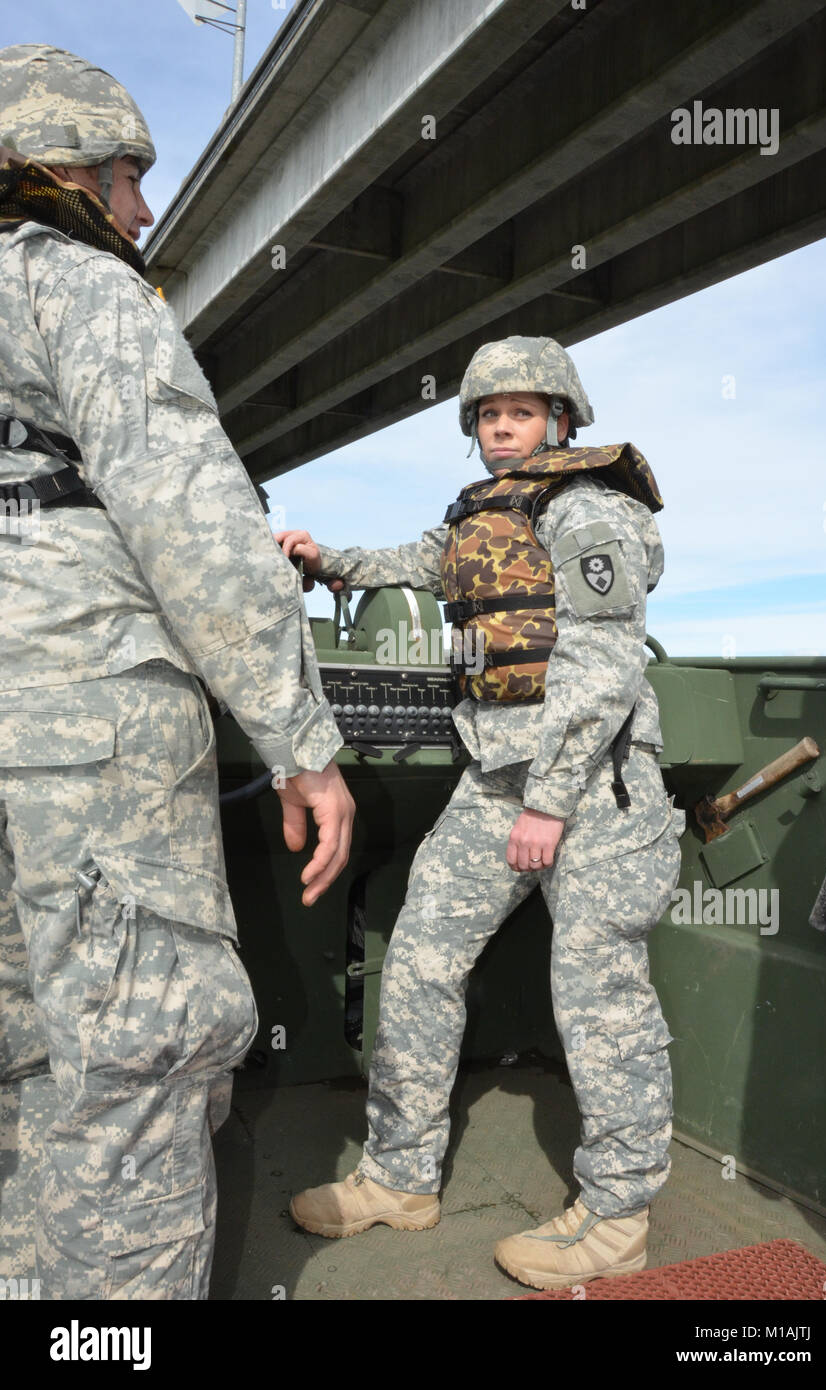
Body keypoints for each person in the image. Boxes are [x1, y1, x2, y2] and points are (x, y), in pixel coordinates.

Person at [0, 44, 354, 1300]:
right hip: (85, 723)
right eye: (130, 177)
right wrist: (300, 738)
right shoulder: (68, 280)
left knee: (26, 1054)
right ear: (68, 168)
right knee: (141, 1063)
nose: (143, 212)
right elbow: (191, 512)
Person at [280, 335, 685, 1290]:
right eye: (488, 415)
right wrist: (323, 555)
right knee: (420, 961)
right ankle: (400, 1177)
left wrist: (549, 801)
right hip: (496, 773)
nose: (502, 426)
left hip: (595, 786)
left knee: (599, 1001)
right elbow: (414, 560)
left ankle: (618, 1216)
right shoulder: (477, 515)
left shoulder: (589, 509)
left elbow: (604, 663)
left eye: (521, 411)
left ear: (561, 420)